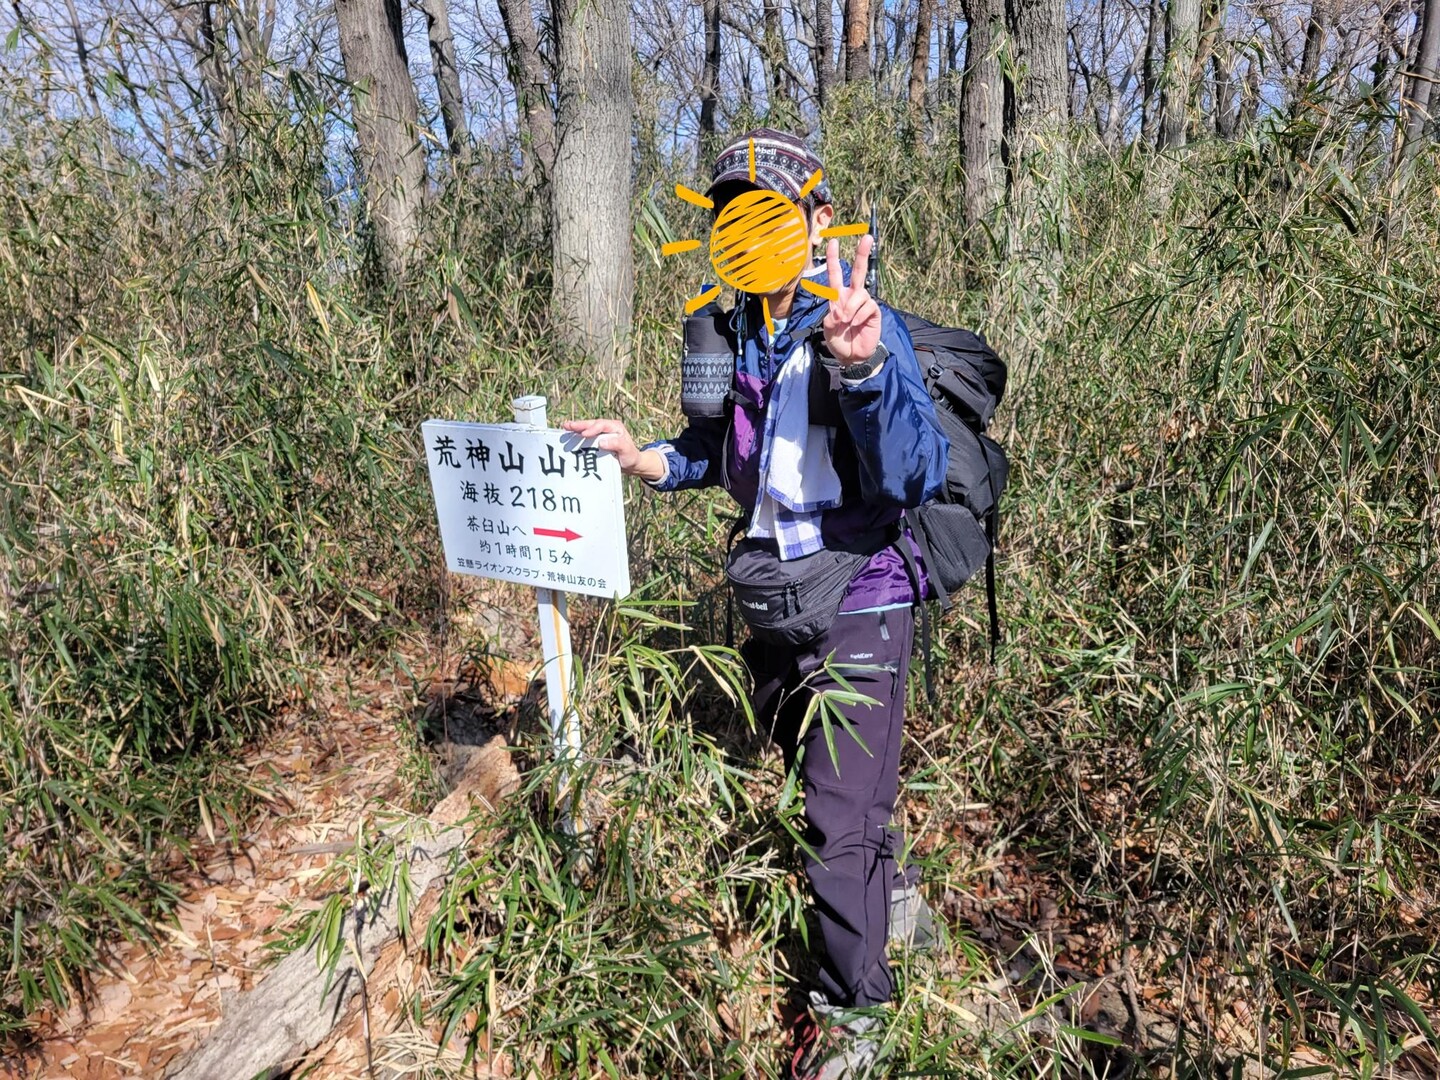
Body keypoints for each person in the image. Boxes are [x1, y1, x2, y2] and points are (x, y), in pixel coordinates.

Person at [564, 128, 947, 1080]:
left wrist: (862, 369)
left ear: (819, 220)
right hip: (774, 594)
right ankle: (893, 897)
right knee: (825, 778)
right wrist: (643, 457)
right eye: (733, 213)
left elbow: (915, 471)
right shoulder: (729, 327)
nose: (748, 230)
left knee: (836, 816)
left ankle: (856, 1015)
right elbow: (714, 453)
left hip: (861, 589)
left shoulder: (859, 322)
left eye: (768, 210)